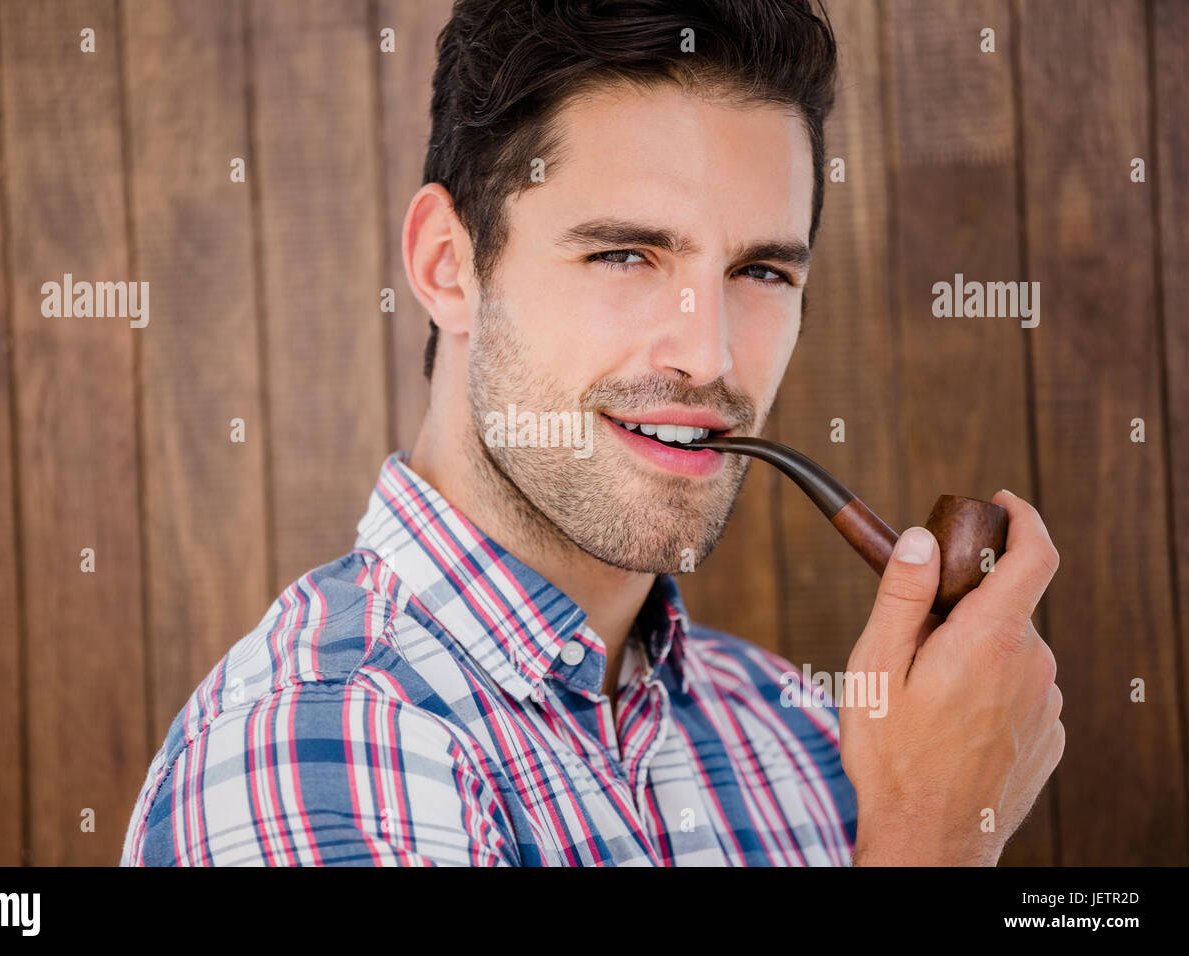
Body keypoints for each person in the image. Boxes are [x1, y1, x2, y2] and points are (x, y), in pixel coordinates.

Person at [122, 0, 1062, 866]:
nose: (708, 353)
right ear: (449, 266)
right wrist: (929, 837)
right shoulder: (313, 750)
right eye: (625, 255)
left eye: (762, 272)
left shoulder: (807, 737)